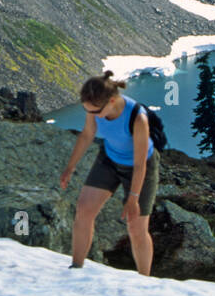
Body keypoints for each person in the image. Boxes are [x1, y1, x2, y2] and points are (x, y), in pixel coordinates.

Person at [60, 70, 159, 275]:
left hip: (140, 167)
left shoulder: (137, 118)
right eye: (88, 110)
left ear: (112, 101)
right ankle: (75, 268)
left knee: (136, 227)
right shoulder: (94, 107)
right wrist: (70, 167)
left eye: (96, 111)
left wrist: (133, 197)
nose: (93, 115)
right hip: (110, 159)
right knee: (84, 209)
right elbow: (88, 134)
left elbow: (140, 164)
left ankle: (144, 280)